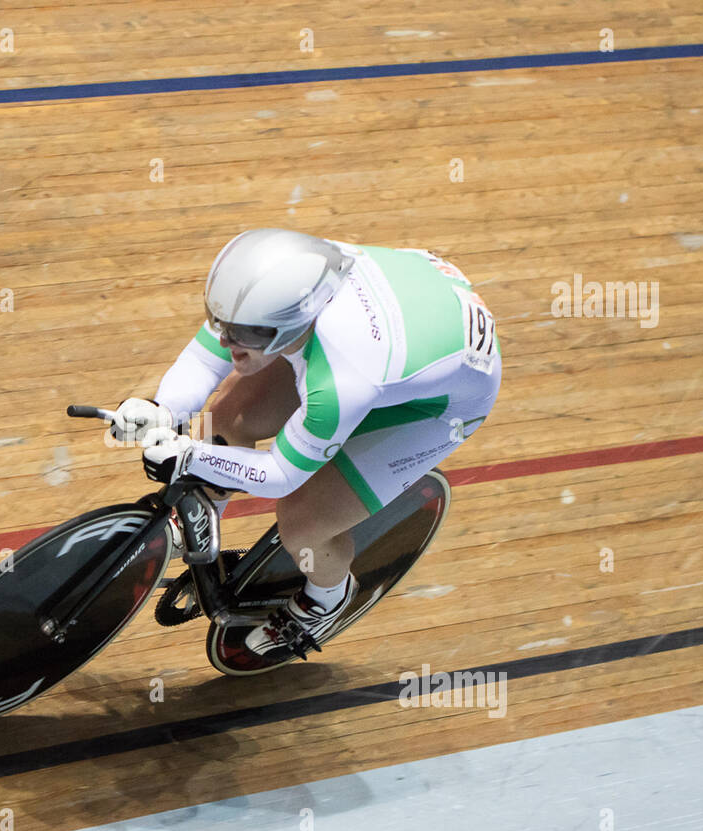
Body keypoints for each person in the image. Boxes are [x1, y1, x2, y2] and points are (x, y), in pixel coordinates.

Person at [110, 228, 501, 664]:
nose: (225, 341)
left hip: (437, 408)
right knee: (227, 419)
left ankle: (327, 600)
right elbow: (205, 360)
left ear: (290, 326)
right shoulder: (273, 288)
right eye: (221, 322)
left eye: (243, 335)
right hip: (413, 311)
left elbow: (281, 475)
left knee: (303, 523)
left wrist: (191, 455)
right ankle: (205, 513)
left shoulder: (342, 380)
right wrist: (162, 408)